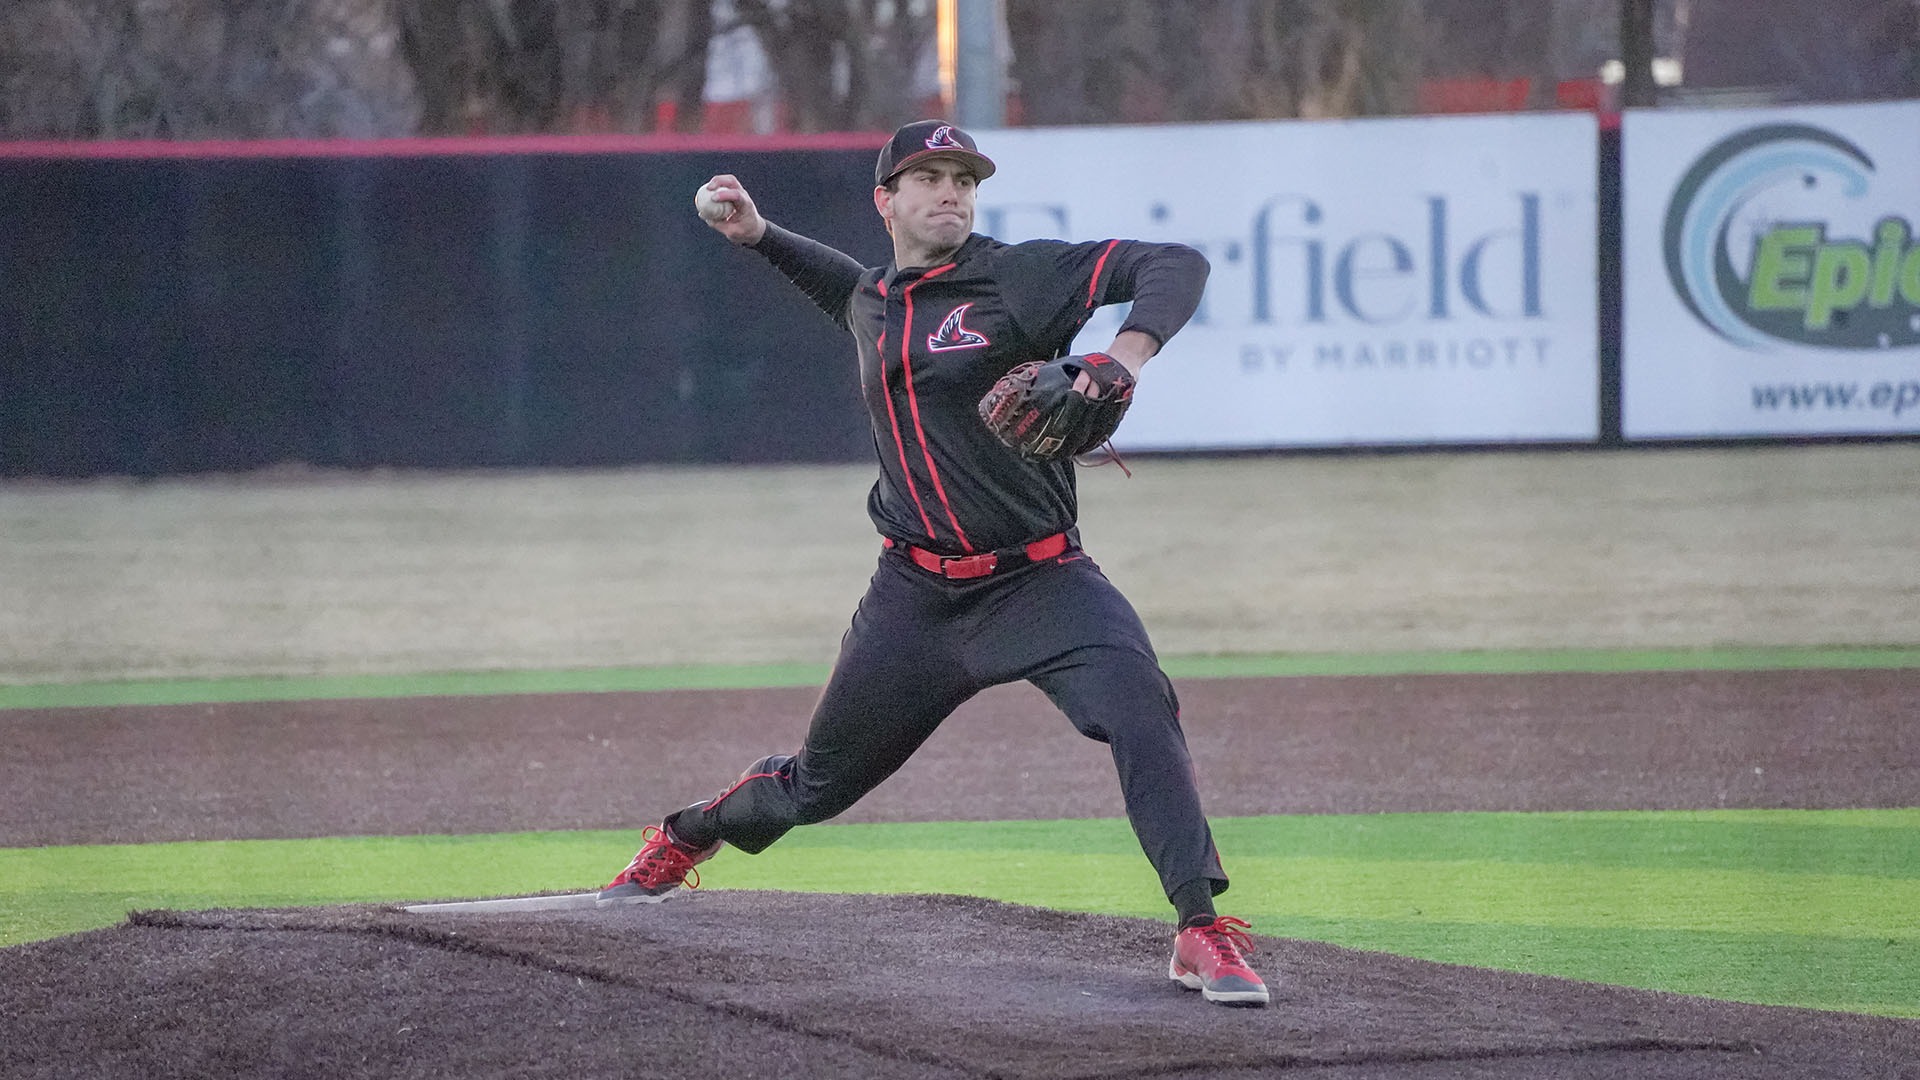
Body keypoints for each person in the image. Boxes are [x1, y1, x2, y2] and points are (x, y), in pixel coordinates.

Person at [599, 120, 1268, 1007]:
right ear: (887, 200)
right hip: (913, 600)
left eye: (963, 177)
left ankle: (1198, 927)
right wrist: (759, 236)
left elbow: (1175, 262)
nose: (950, 190)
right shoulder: (875, 297)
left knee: (1142, 708)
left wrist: (1121, 354)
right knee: (816, 787)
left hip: (1043, 582)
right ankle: (688, 834)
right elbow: (845, 286)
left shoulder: (1018, 276)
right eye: (928, 177)